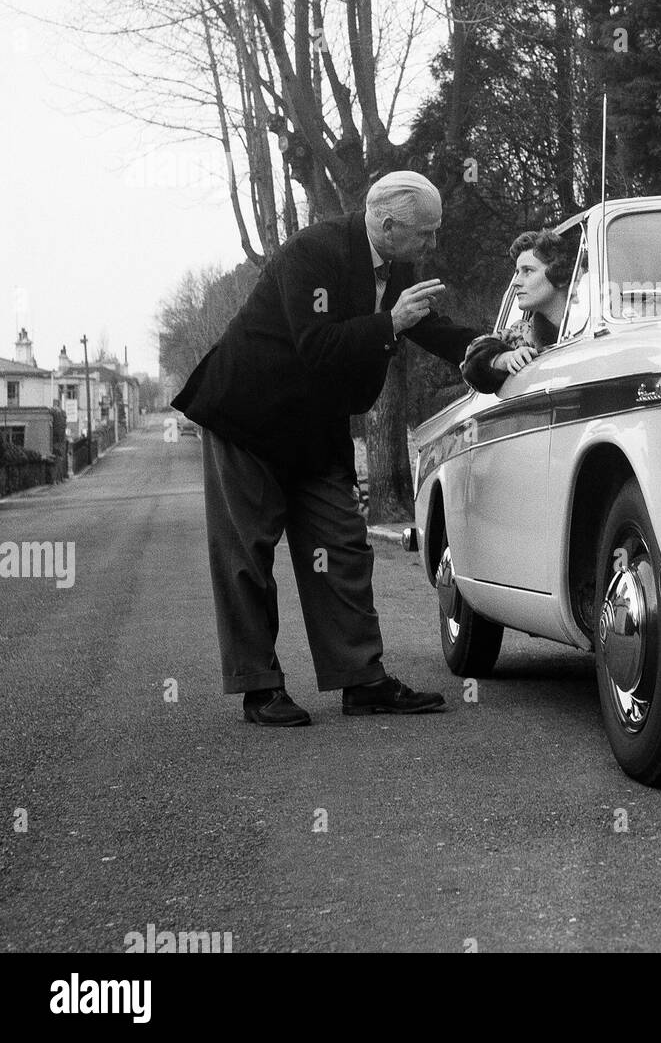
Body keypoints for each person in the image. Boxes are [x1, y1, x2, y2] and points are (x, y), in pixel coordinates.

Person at [173, 171, 480, 727]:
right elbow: (316, 346)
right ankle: (259, 687)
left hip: (315, 425)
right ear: (387, 225)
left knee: (340, 545)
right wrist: (390, 321)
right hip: (249, 416)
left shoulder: (394, 261)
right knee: (247, 555)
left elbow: (426, 326)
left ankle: (361, 681)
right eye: (425, 234)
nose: (432, 245)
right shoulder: (313, 253)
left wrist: (490, 349)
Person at [461, 229, 573, 393]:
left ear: (561, 275)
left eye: (528, 270)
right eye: (517, 272)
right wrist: (504, 359)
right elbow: (472, 357)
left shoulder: (595, 321)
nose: (516, 282)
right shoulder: (524, 333)